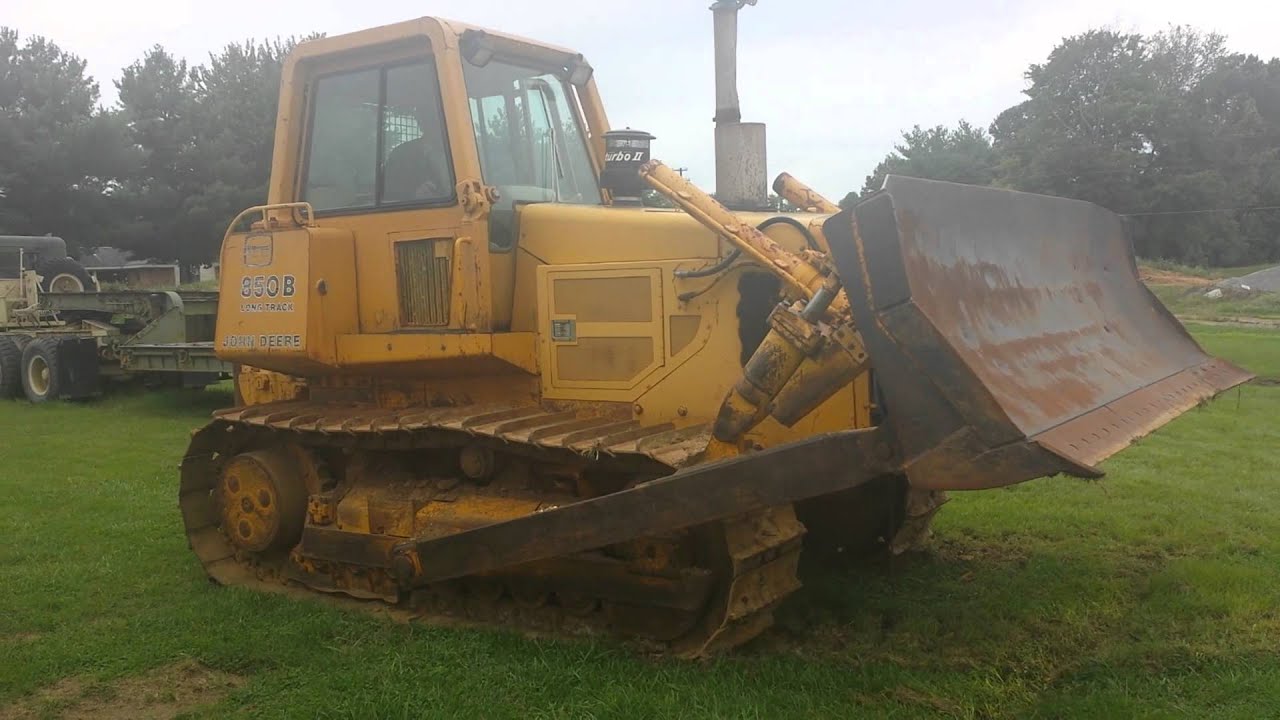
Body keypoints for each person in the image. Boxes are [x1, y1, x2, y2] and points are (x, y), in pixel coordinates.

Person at [381, 107, 450, 203]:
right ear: (421, 122)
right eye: (429, 119)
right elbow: (386, 192)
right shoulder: (401, 154)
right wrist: (414, 194)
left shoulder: (456, 154)